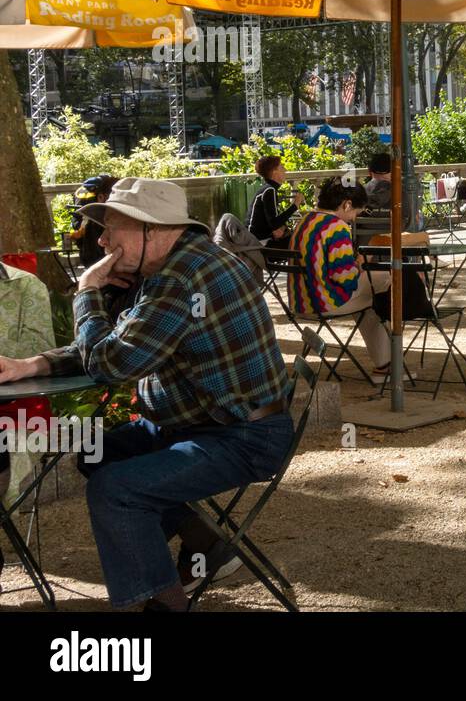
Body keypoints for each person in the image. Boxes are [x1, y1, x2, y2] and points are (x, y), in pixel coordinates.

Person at [0, 178, 294, 611]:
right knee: (98, 451)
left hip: (242, 437)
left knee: (117, 490)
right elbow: (118, 342)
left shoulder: (181, 278)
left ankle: (162, 605)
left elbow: (111, 363)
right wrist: (33, 365)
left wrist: (88, 291)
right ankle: (204, 541)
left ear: (150, 229)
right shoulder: (177, 265)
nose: (101, 240)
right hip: (202, 423)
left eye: (110, 228)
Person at [289, 178, 392, 381]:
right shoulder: (336, 227)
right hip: (326, 300)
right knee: (385, 281)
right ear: (347, 204)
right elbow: (345, 278)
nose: (353, 218)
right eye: (355, 212)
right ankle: (387, 363)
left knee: (371, 300)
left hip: (301, 300)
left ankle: (385, 364)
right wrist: (360, 264)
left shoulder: (306, 220)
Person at [246, 155, 303, 249]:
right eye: (281, 167)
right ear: (274, 171)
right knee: (301, 241)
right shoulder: (269, 190)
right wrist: (295, 205)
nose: (285, 170)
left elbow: (272, 222)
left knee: (296, 239)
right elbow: (274, 223)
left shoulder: (268, 189)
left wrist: (281, 228)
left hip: (259, 239)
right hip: (259, 244)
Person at [70, 174, 120, 267]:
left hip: (87, 249)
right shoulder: (104, 219)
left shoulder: (80, 190)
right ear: (101, 197)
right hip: (98, 255)